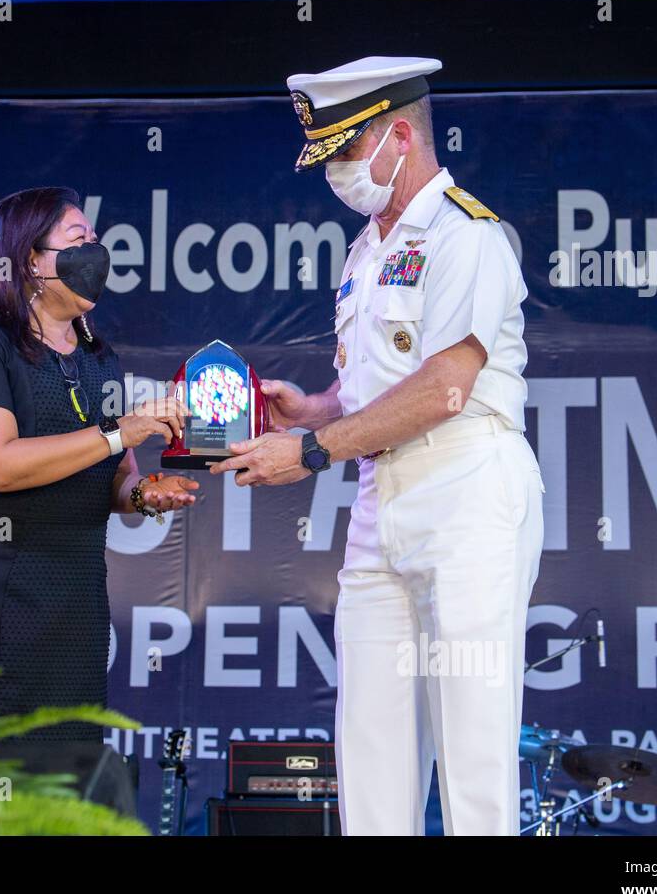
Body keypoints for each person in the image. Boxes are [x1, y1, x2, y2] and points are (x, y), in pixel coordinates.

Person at [210, 57, 545, 834]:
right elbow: (380, 390)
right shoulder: (368, 249)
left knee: (472, 753)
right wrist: (312, 410)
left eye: (343, 152)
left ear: (400, 134)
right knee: (370, 746)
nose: (335, 172)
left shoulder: (467, 233)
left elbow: (444, 389)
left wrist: (315, 449)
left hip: (466, 492)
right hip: (378, 503)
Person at [0, 186, 198, 742]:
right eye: (77, 240)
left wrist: (145, 496)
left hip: (72, 603)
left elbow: (117, 475)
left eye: (95, 239)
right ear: (29, 262)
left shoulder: (100, 358)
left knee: (65, 777)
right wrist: (120, 431)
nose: (94, 251)